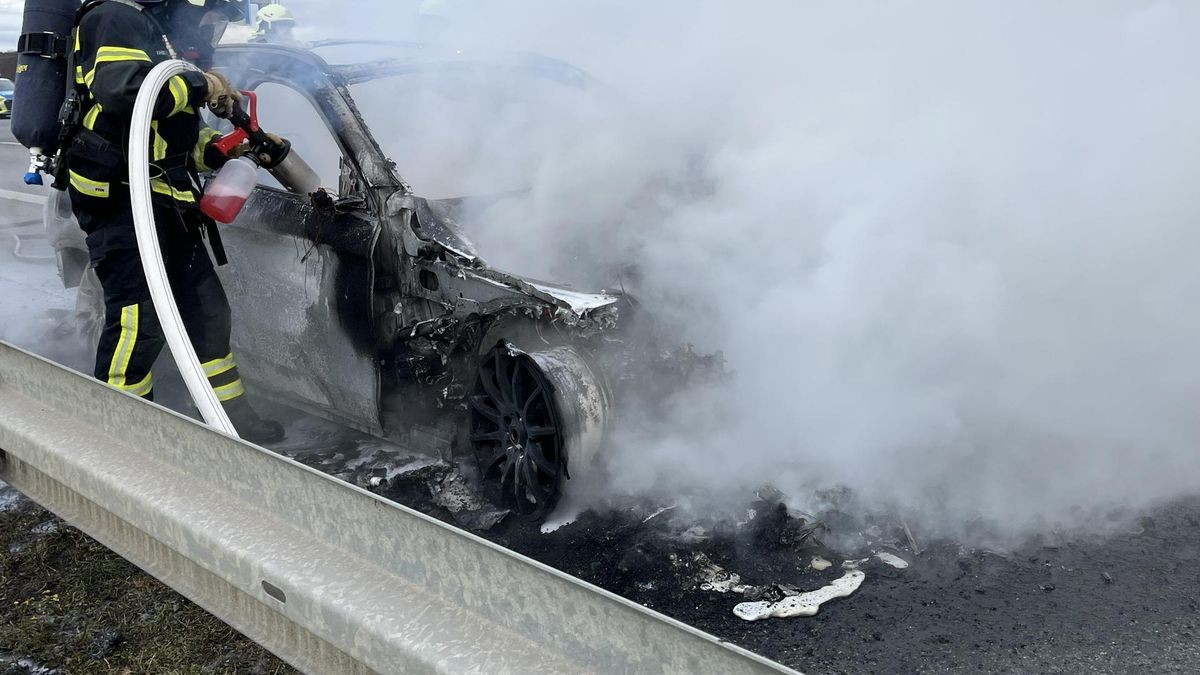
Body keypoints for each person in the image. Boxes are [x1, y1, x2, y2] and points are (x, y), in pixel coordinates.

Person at [65, 0, 285, 443]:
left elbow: (175, 136)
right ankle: (125, 434)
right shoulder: (115, 17)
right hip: (123, 203)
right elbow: (126, 93)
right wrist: (199, 84)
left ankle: (230, 419)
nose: (215, 30)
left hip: (169, 205)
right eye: (214, 18)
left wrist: (225, 149)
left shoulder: (161, 39)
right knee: (138, 322)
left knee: (208, 313)